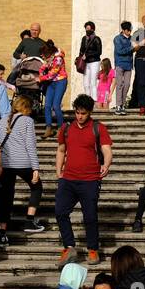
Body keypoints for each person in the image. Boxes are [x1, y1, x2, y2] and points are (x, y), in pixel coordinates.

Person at [55, 95, 112, 267]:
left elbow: (107, 150)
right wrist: (59, 171)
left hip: (90, 180)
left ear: (89, 112)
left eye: (83, 113)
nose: (79, 116)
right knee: (60, 212)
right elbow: (61, 150)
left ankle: (92, 249)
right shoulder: (65, 128)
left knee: (90, 216)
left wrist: (106, 165)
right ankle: (69, 247)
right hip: (68, 179)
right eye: (77, 112)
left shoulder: (98, 128)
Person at [0, 95, 44, 242]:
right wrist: (36, 168)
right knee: (37, 187)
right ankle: (29, 220)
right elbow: (30, 145)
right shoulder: (28, 121)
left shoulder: (3, 120)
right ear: (27, 108)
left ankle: (2, 232)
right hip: (23, 163)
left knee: (6, 196)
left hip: (6, 163)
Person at [38, 38, 69, 133]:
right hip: (51, 83)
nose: (42, 57)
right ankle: (48, 128)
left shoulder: (58, 59)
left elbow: (52, 74)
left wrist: (40, 78)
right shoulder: (49, 58)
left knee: (56, 105)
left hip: (60, 82)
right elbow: (43, 67)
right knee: (47, 106)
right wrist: (41, 72)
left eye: (43, 55)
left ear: (48, 54)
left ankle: (61, 128)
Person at [112, 21, 134, 115]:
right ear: (124, 30)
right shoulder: (117, 39)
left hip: (129, 64)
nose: (129, 32)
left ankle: (122, 104)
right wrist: (132, 48)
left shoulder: (132, 38)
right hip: (120, 64)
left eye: (130, 30)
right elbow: (120, 51)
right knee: (119, 84)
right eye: (128, 31)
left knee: (127, 84)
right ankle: (118, 105)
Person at [79, 21, 103, 102]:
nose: (87, 30)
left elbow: (99, 52)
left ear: (92, 29)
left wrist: (88, 55)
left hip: (94, 62)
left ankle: (94, 100)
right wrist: (80, 56)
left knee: (93, 82)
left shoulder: (96, 39)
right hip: (86, 63)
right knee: (86, 83)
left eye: (89, 29)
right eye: (86, 29)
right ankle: (87, 100)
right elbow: (81, 50)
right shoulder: (84, 39)